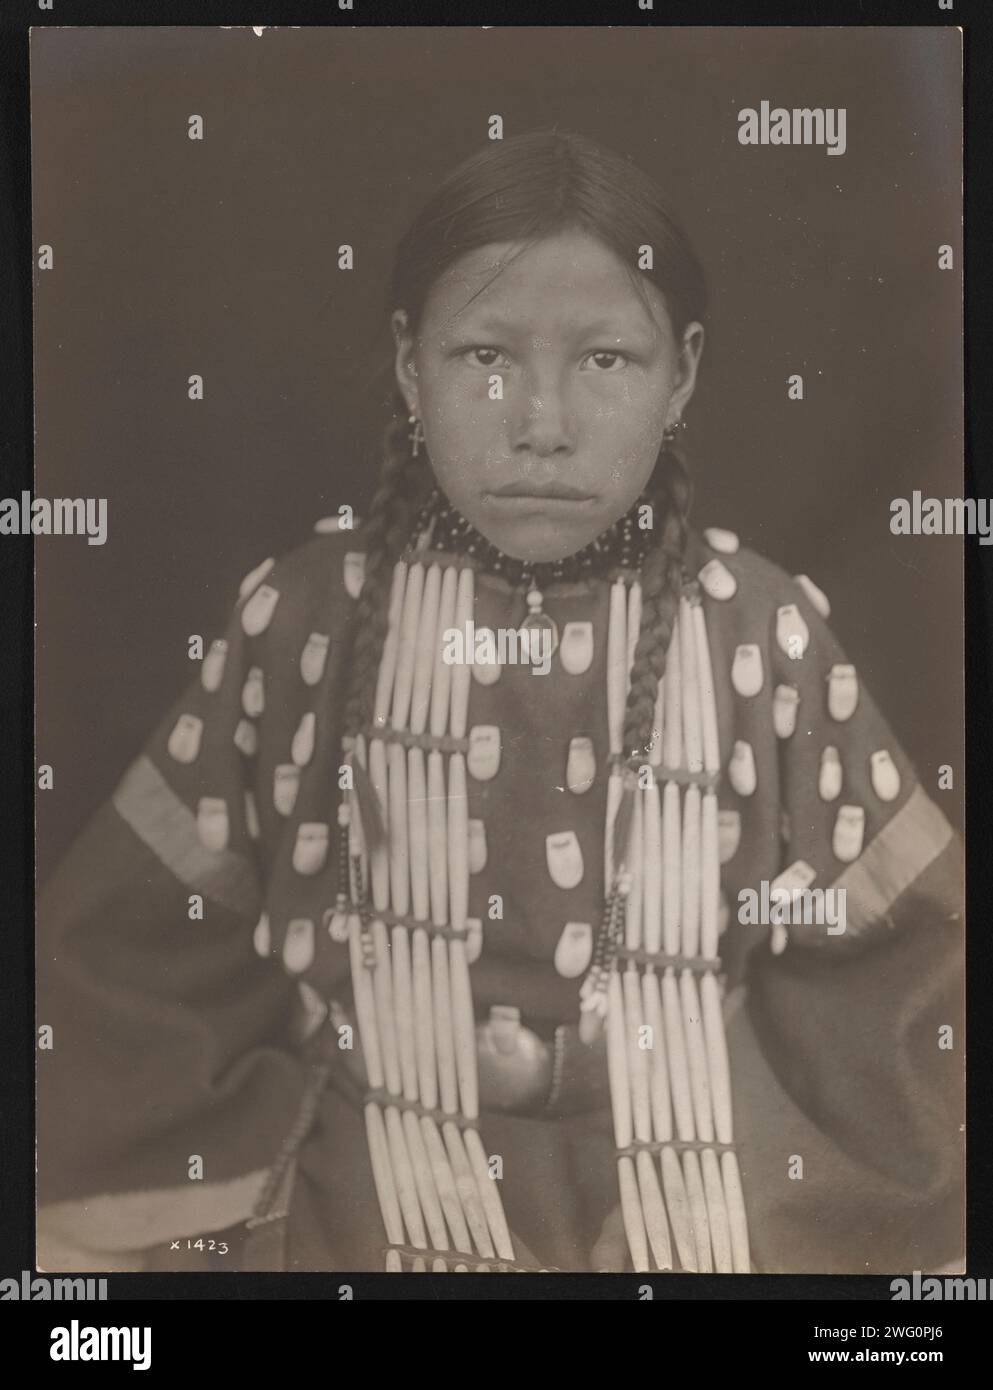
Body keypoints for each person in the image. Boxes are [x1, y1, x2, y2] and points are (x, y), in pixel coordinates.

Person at [37, 129, 964, 1275]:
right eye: (484, 355)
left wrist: (720, 1122)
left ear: (683, 372)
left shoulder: (760, 634)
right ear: (405, 364)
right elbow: (133, 956)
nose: (541, 421)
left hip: (703, 1172)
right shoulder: (310, 617)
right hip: (363, 1184)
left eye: (605, 361)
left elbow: (912, 973)